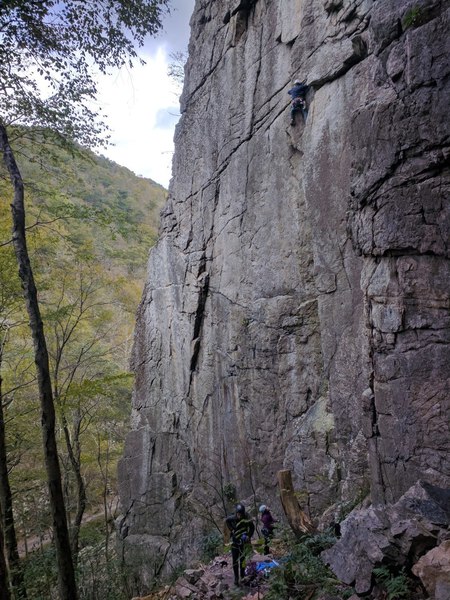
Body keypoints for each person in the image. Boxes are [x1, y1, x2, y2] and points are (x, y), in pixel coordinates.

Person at [225, 503, 255, 586]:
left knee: (243, 560)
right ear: (236, 513)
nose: (239, 516)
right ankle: (236, 578)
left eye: (240, 514)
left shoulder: (246, 518)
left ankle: (242, 576)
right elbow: (227, 520)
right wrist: (232, 530)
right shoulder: (233, 518)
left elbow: (252, 527)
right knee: (235, 561)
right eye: (238, 514)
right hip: (235, 542)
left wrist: (248, 535)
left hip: (244, 542)